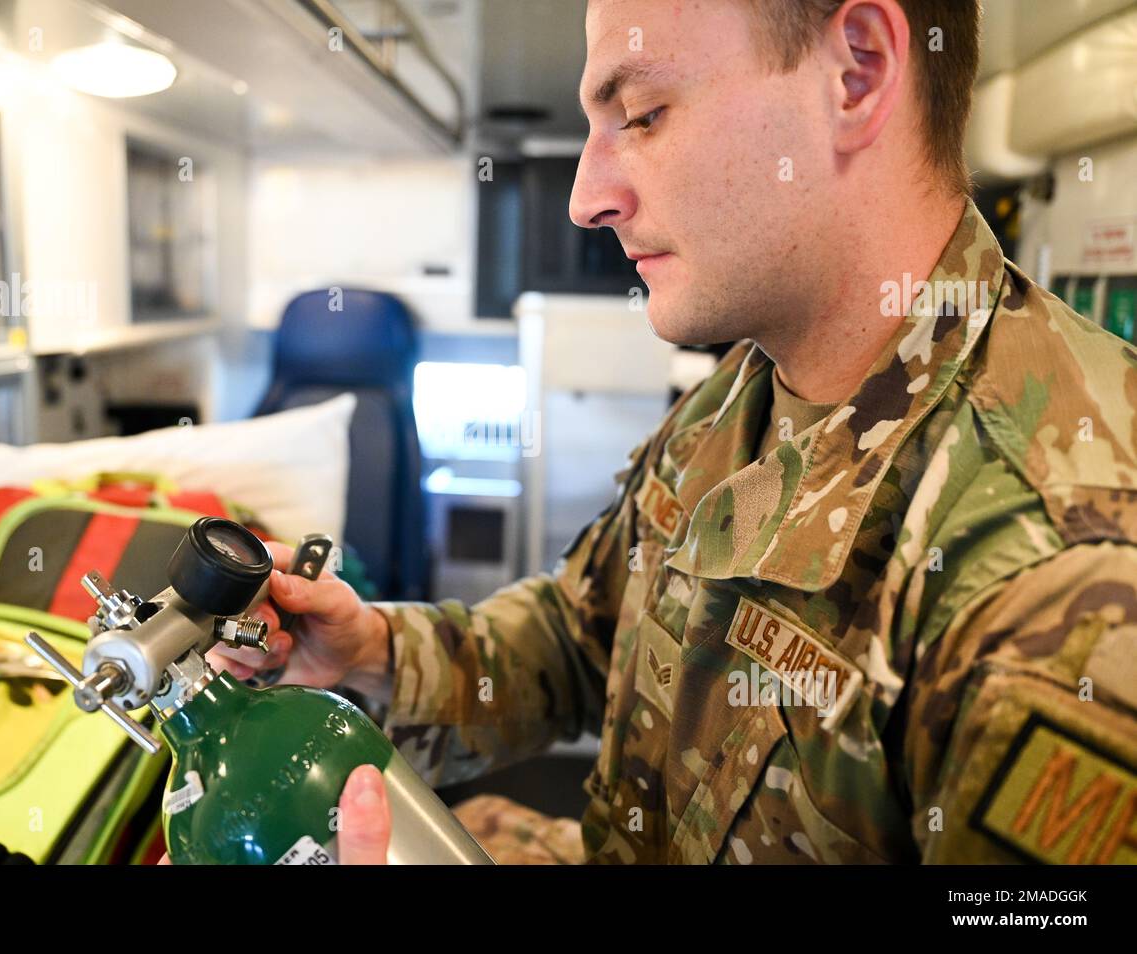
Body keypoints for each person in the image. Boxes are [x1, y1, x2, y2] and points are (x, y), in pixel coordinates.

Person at [217, 0, 1137, 864]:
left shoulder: (1059, 577)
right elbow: (586, 631)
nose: (586, 198)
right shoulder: (747, 385)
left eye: (645, 114)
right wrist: (370, 652)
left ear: (856, 73)